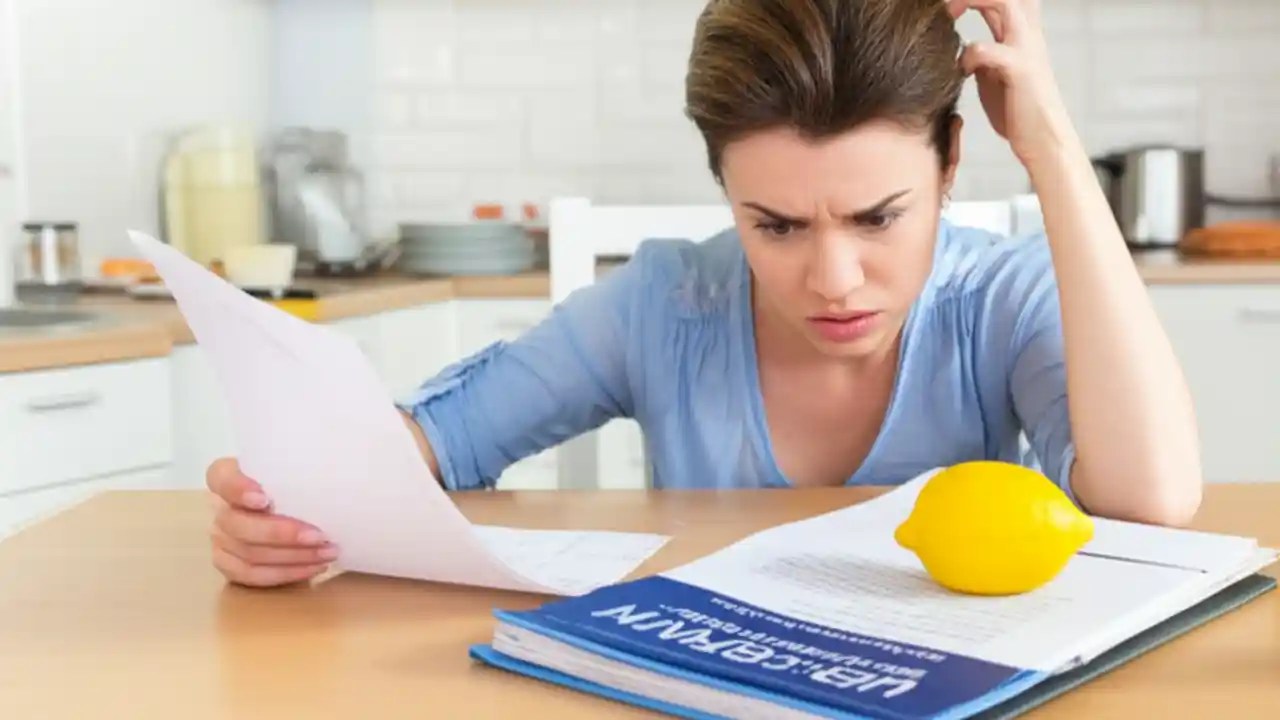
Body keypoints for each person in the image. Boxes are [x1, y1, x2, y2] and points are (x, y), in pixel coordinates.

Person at [206, 0, 1204, 588]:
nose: (833, 281)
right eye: (776, 225)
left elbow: (1151, 503)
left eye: (877, 218)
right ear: (722, 186)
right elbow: (437, 443)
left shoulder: (1001, 298)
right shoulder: (664, 304)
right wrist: (287, 503)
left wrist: (1049, 144)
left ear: (950, 160)